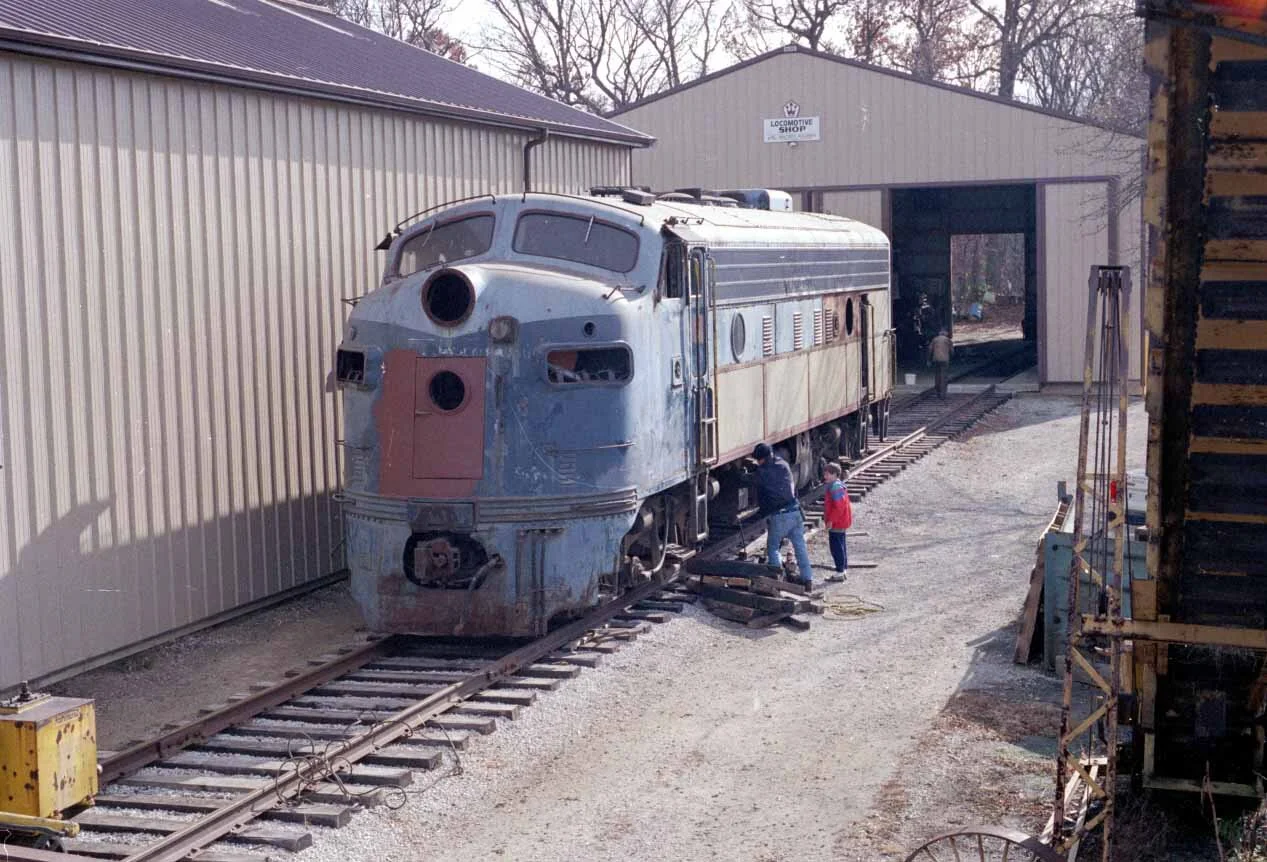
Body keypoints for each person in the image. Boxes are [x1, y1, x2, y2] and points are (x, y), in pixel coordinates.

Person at [744, 442, 816, 591]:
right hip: (796, 512)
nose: (758, 463)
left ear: (762, 458)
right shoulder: (782, 463)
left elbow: (748, 480)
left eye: (759, 460)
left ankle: (777, 579)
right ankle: (807, 579)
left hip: (780, 515)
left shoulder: (763, 472)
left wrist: (734, 473)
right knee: (800, 547)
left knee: (773, 548)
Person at [822, 462, 852, 582]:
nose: (825, 476)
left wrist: (830, 521)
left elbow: (838, 507)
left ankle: (840, 571)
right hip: (841, 521)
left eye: (828, 474)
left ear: (835, 475)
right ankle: (843, 569)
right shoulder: (837, 485)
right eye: (825, 473)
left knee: (836, 547)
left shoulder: (835, 487)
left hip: (837, 522)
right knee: (841, 544)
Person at [928, 329, 953, 399]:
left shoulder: (934, 339)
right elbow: (952, 351)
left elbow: (930, 350)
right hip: (945, 360)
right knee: (944, 377)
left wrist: (929, 360)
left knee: (937, 375)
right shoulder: (948, 340)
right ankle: (943, 394)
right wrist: (950, 356)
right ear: (945, 333)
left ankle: (938, 392)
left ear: (939, 333)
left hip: (936, 359)